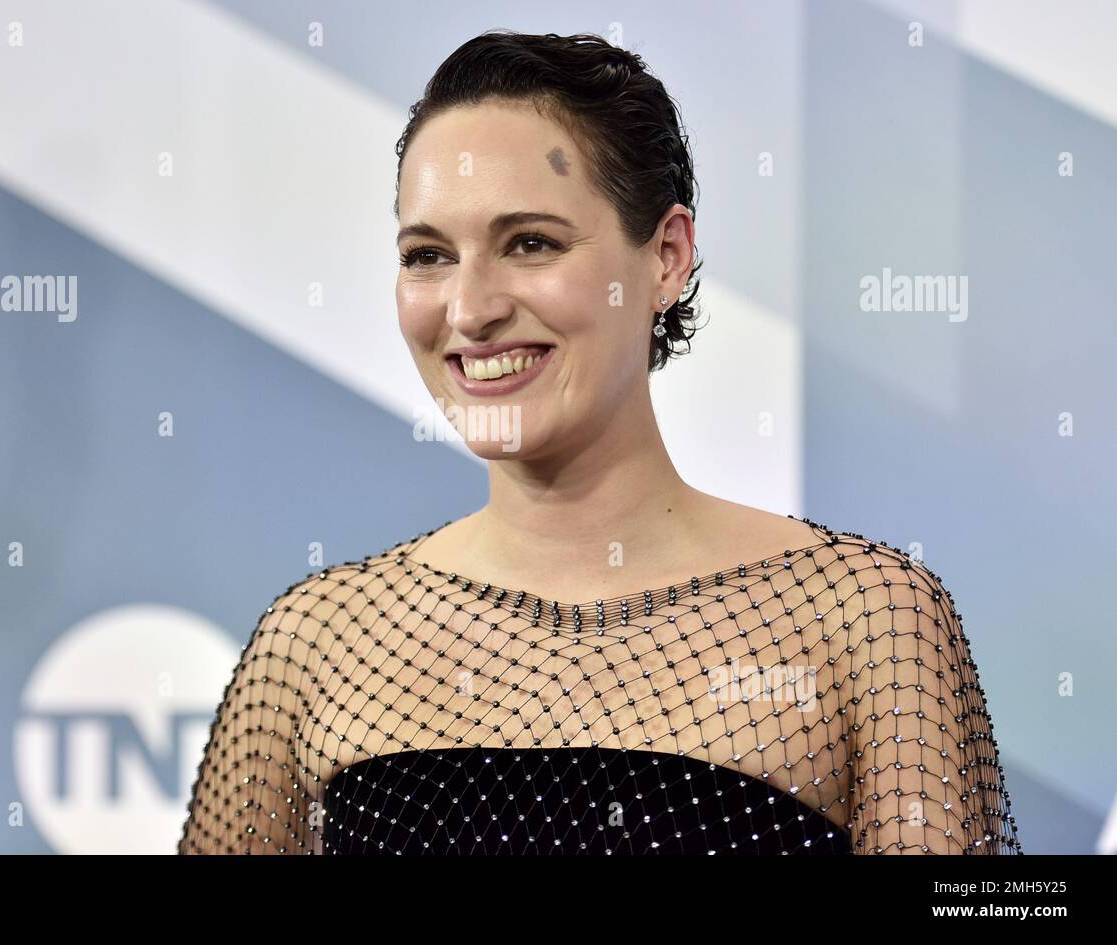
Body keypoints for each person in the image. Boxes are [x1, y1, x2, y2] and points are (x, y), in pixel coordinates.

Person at [177, 29, 1021, 855]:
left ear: (666, 257)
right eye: (428, 255)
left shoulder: (860, 620)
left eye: (530, 243)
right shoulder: (316, 643)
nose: (469, 309)